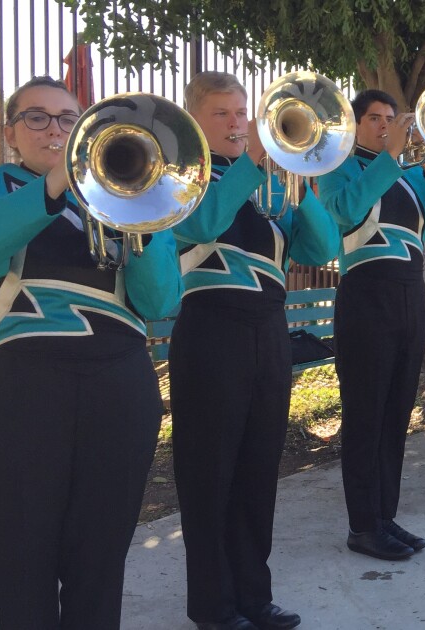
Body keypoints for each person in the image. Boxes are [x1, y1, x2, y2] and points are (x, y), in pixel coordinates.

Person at [0, 76, 183, 628]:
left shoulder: (119, 196)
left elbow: (160, 300)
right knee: (24, 558)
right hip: (22, 387)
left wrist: (148, 218)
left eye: (67, 118)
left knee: (101, 560)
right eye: (36, 117)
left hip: (120, 386)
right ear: (11, 133)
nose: (54, 129)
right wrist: (58, 183)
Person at [169, 71, 340, 630]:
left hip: (269, 330)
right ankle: (213, 606)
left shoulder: (266, 183)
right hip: (211, 331)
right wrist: (251, 167)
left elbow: (322, 247)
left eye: (242, 113)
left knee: (257, 470)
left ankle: (252, 594)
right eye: (222, 113)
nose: (238, 123)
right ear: (196, 120)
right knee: (209, 473)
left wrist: (305, 183)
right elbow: (202, 225)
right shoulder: (177, 180)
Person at [317, 89, 425, 560]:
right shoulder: (338, 167)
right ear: (355, 124)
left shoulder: (411, 177)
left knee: (394, 417)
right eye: (374, 118)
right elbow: (345, 210)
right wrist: (389, 157)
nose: (386, 125)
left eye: (391, 118)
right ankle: (362, 525)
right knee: (366, 417)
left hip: (411, 301)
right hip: (366, 299)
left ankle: (384, 515)